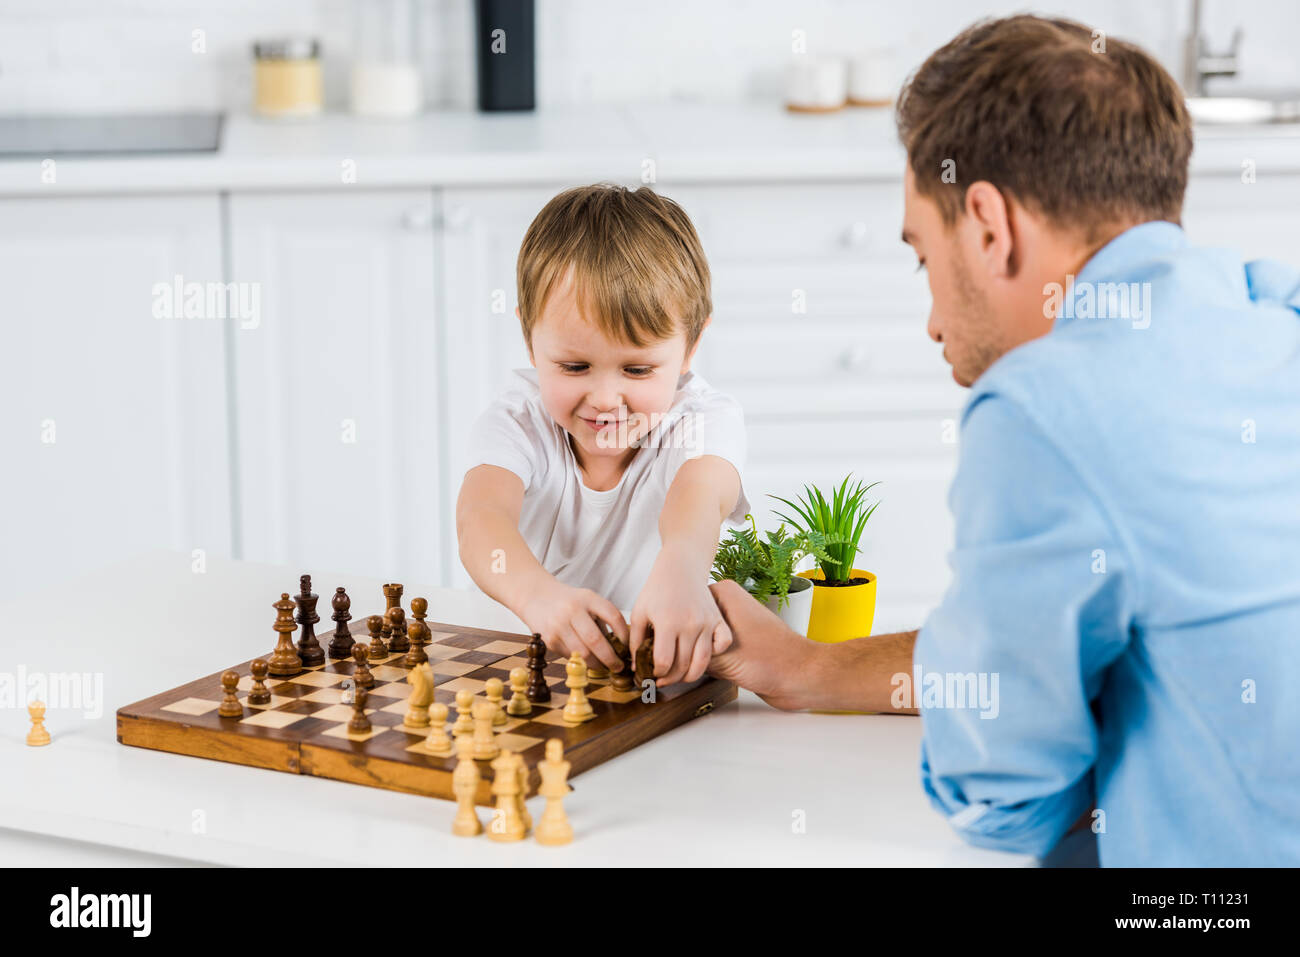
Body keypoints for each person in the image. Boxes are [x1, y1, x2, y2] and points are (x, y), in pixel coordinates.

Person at [707, 15, 1300, 866]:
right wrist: (809, 669)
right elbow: (1049, 641)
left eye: (924, 258)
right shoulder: (1275, 309)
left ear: (988, 226)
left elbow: (1008, 802)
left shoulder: (1044, 408)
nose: (932, 322)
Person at [457, 184, 750, 687]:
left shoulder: (702, 420)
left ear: (692, 344)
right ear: (529, 338)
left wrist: (681, 565)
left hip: (649, 690)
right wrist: (537, 596)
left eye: (637, 370)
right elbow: (480, 517)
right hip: (531, 681)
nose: (605, 399)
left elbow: (699, 497)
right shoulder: (518, 422)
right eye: (574, 366)